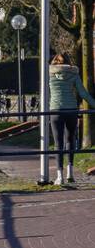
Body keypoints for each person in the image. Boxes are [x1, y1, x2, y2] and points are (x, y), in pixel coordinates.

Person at [48, 53, 95, 185]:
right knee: (70, 140)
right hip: (72, 110)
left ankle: (59, 176)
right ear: (68, 62)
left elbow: (45, 94)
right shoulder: (73, 73)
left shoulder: (49, 74)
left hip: (55, 110)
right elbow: (83, 93)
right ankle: (70, 173)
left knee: (58, 144)